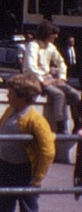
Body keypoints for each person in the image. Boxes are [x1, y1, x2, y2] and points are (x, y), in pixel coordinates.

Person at [0, 72, 54, 212]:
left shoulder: (35, 119)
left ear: (22, 95)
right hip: (6, 168)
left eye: (10, 92)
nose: (7, 94)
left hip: (25, 171)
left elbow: (47, 149)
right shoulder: (10, 111)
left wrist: (38, 177)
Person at [23, 20, 79, 162]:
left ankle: (77, 121)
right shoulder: (33, 46)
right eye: (54, 35)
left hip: (49, 77)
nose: (56, 38)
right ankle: (61, 125)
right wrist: (43, 79)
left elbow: (61, 63)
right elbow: (30, 66)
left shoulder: (51, 47)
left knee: (73, 93)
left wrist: (61, 78)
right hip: (35, 78)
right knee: (58, 94)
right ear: (47, 33)